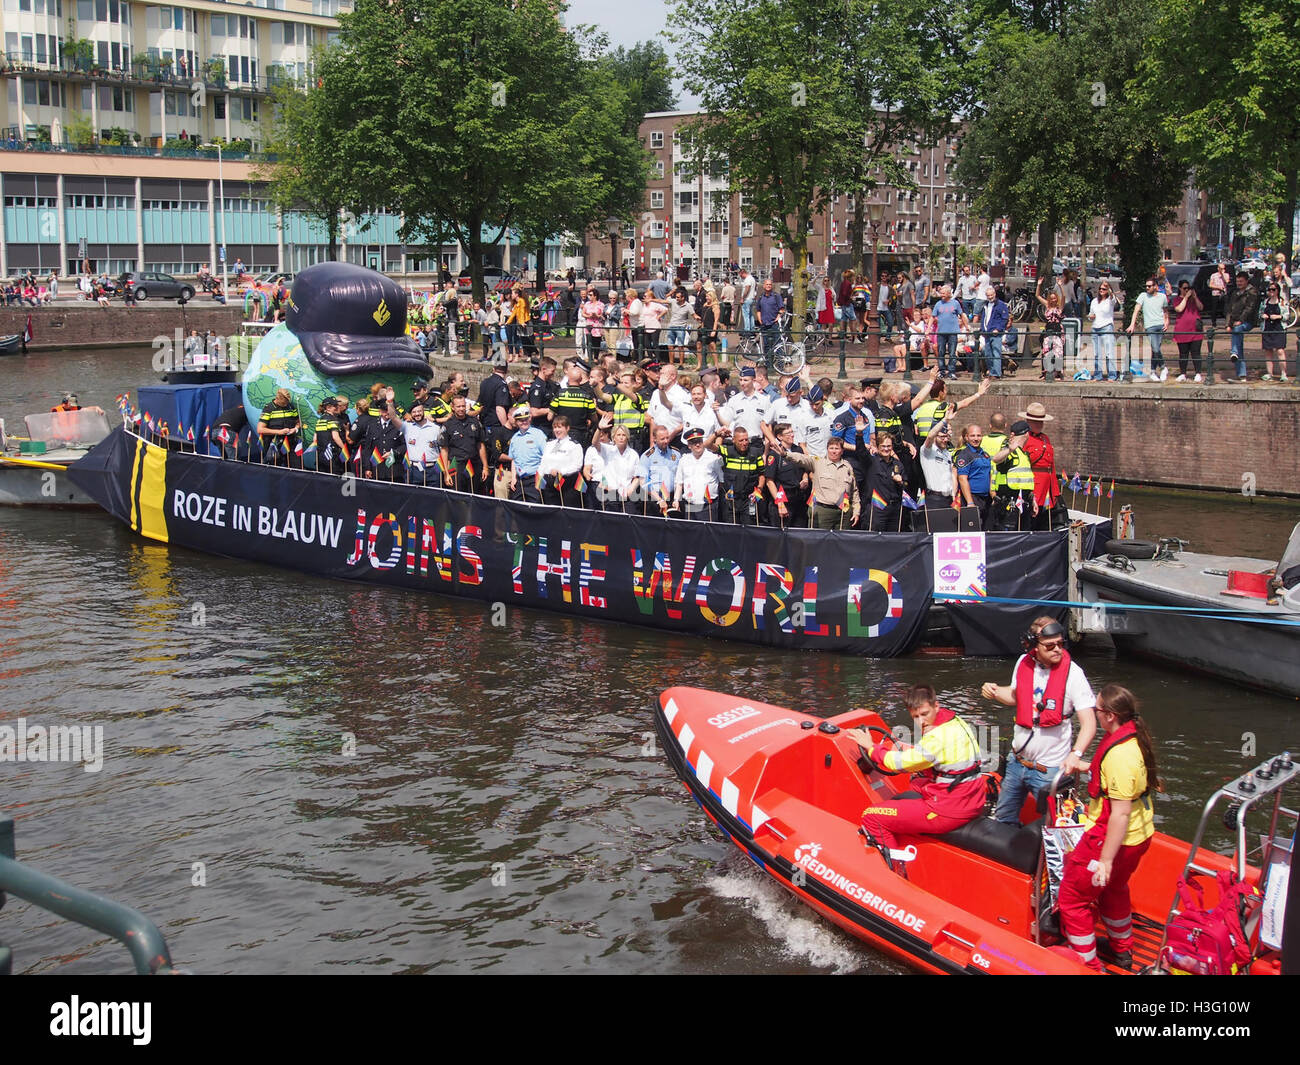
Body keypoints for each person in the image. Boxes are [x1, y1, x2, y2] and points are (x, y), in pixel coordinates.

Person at [1055, 684, 1158, 972]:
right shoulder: (1133, 740)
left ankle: (1088, 964)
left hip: (1111, 839)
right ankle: (1122, 949)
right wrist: (1084, 766)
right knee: (1114, 889)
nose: (1094, 714)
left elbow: (1120, 814)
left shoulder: (1120, 756)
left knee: (1072, 899)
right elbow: (1116, 779)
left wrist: (1105, 861)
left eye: (1097, 710)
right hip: (1139, 834)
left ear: (1110, 715)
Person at [848, 684, 986, 865]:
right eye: (915, 717)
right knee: (915, 784)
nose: (921, 721)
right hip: (971, 798)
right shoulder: (955, 722)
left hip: (949, 809)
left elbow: (899, 763)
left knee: (871, 816)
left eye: (924, 714)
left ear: (936, 706)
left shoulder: (936, 737)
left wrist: (872, 748)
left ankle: (895, 871)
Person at [980, 616, 1097, 826]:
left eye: (1061, 644)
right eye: (1050, 645)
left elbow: (1089, 723)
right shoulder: (1023, 664)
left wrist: (1075, 755)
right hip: (1017, 762)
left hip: (1050, 768)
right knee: (1003, 819)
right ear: (1033, 645)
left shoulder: (1074, 675)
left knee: (1059, 825)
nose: (1057, 650)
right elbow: (1015, 697)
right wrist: (996, 691)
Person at [778, 435, 860, 529]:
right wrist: (785, 454)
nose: (833, 451)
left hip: (844, 512)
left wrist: (856, 511)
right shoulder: (818, 462)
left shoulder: (847, 467)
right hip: (823, 511)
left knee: (841, 542)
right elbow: (801, 458)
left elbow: (854, 491)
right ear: (827, 449)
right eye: (831, 448)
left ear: (842, 451)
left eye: (837, 448)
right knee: (821, 541)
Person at [1019, 401, 1060, 530]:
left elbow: (1051, 465)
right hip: (1034, 483)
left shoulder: (1045, 438)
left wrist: (1055, 490)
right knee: (1032, 516)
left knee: (1044, 518)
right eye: (1035, 422)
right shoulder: (1024, 438)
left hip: (1047, 486)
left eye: (1041, 422)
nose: (1039, 425)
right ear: (1028, 421)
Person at [763, 421, 809, 528]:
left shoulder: (798, 450)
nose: (792, 435)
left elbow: (805, 467)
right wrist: (780, 503)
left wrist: (805, 478)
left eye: (792, 432)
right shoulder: (774, 454)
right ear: (779, 437)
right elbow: (769, 482)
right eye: (788, 433)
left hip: (799, 500)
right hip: (783, 501)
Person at [717, 424, 765, 525]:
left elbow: (762, 474)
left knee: (749, 531)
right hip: (731, 500)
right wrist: (717, 434)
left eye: (746, 440)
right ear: (733, 440)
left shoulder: (756, 453)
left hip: (749, 499)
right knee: (730, 531)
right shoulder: (727, 451)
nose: (744, 443)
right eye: (741, 440)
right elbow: (708, 445)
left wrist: (759, 489)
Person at [439, 394, 487, 492]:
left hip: (474, 465)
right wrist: (446, 473)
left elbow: (481, 445)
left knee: (474, 495)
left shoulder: (475, 422)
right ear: (452, 407)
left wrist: (485, 467)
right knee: (457, 498)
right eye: (458, 406)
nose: (461, 409)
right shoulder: (448, 425)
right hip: (456, 466)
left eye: (463, 406)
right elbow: (444, 450)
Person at [673, 426, 722, 521]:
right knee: (690, 535)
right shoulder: (684, 460)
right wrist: (676, 500)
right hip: (690, 505)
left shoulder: (714, 458)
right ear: (689, 445)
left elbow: (721, 481)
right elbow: (679, 483)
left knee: (707, 535)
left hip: (708, 506)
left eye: (699, 441)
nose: (697, 445)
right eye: (694, 442)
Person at [1126, 276, 1169, 381]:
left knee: (1156, 350)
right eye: (1146, 286)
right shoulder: (1143, 296)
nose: (1147, 288)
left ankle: (1153, 371)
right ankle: (1163, 367)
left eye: (1149, 286)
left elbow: (1165, 311)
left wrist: (1167, 321)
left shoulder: (1162, 297)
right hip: (1150, 326)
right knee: (1155, 348)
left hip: (1160, 325)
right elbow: (1136, 310)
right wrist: (1132, 324)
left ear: (1155, 286)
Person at [537, 414, 585, 507]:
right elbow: (543, 463)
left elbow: (577, 465)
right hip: (549, 483)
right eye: (555, 427)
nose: (557, 430)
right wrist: (539, 479)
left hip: (567, 483)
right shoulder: (550, 444)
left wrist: (561, 471)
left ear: (567, 428)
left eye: (560, 427)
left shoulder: (574, 445)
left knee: (567, 513)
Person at [865, 431, 905, 530]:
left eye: (888, 446)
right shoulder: (871, 462)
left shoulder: (897, 464)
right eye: (883, 446)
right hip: (877, 508)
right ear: (877, 446)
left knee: (893, 539)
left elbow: (906, 484)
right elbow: (860, 450)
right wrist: (859, 433)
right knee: (875, 540)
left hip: (894, 508)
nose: (886, 449)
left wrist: (901, 482)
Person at [506, 406, 547, 502]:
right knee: (518, 511)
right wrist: (513, 478)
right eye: (520, 420)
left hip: (535, 479)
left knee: (535, 510)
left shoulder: (538, 434)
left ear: (530, 419)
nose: (524, 422)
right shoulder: (514, 438)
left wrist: (540, 478)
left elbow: (546, 458)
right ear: (516, 421)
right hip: (519, 481)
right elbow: (513, 460)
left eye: (526, 419)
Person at [1224, 270, 1259, 381]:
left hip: (1248, 321)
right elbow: (1230, 309)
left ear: (1246, 281)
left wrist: (1241, 320)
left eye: (1241, 281)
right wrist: (1228, 324)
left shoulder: (1252, 292)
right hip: (1235, 322)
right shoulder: (1235, 293)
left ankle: (1233, 352)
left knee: (1237, 330)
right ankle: (1242, 375)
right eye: (1238, 281)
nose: (1239, 284)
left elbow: (1249, 308)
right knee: (1238, 344)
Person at [256, 388, 301, 467]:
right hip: (274, 444)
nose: (285, 405)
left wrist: (295, 429)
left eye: (287, 403)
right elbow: (260, 429)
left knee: (297, 467)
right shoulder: (269, 408)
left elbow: (298, 422)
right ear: (277, 399)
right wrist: (279, 432)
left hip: (290, 443)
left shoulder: (290, 407)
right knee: (274, 470)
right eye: (283, 403)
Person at [1172, 280, 1206, 383]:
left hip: (1195, 330)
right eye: (1185, 288)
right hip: (1182, 330)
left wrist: (1194, 297)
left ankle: (1198, 373)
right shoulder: (1177, 299)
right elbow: (1179, 309)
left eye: (1188, 288)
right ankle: (1183, 373)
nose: (1187, 290)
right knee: (1183, 353)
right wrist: (1186, 298)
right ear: (1180, 289)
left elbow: (1201, 307)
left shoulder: (1193, 299)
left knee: (1196, 352)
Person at [1087, 280, 1120, 381]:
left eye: (1104, 289)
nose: (1101, 290)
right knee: (1097, 353)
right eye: (1100, 288)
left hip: (1107, 327)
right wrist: (1090, 317)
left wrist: (1109, 289)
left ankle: (1112, 375)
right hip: (1095, 328)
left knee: (1109, 353)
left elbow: (1114, 299)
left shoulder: (1110, 300)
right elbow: (1091, 314)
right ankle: (1098, 375)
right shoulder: (1094, 301)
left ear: (1108, 290)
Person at [932, 285, 968, 378]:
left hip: (952, 332)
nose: (942, 295)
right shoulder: (938, 304)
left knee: (952, 352)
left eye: (943, 293)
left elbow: (962, 314)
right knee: (941, 352)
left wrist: (966, 326)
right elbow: (933, 317)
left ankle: (952, 371)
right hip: (941, 332)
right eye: (941, 293)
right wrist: (928, 329)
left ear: (949, 293)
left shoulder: (955, 303)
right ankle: (942, 371)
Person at [1035, 277, 1065, 380]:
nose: (1053, 300)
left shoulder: (1059, 307)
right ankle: (1046, 372)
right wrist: (1039, 284)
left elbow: (1064, 296)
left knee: (1058, 352)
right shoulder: (1047, 306)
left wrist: (1060, 285)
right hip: (1048, 329)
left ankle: (1058, 373)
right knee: (1046, 351)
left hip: (1057, 330)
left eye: (1054, 298)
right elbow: (1037, 295)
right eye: (1051, 298)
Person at [978, 286, 1010, 378]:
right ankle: (991, 371)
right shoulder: (985, 305)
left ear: (995, 294)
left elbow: (1005, 318)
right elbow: (983, 318)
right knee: (987, 353)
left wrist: (998, 329)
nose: (990, 297)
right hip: (987, 333)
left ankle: (996, 373)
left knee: (996, 353)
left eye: (991, 295)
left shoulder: (1001, 305)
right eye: (988, 295)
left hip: (996, 333)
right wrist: (982, 329)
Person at [1260, 281, 1287, 381]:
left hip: (1279, 328)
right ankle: (1269, 373)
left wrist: (1279, 316)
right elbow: (1260, 313)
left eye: (1273, 289)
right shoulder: (1265, 302)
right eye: (1269, 289)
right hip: (1267, 328)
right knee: (1268, 351)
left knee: (1280, 350)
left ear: (1277, 291)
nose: (1271, 291)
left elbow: (1287, 315)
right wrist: (1263, 316)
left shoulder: (1282, 302)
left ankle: (1283, 373)